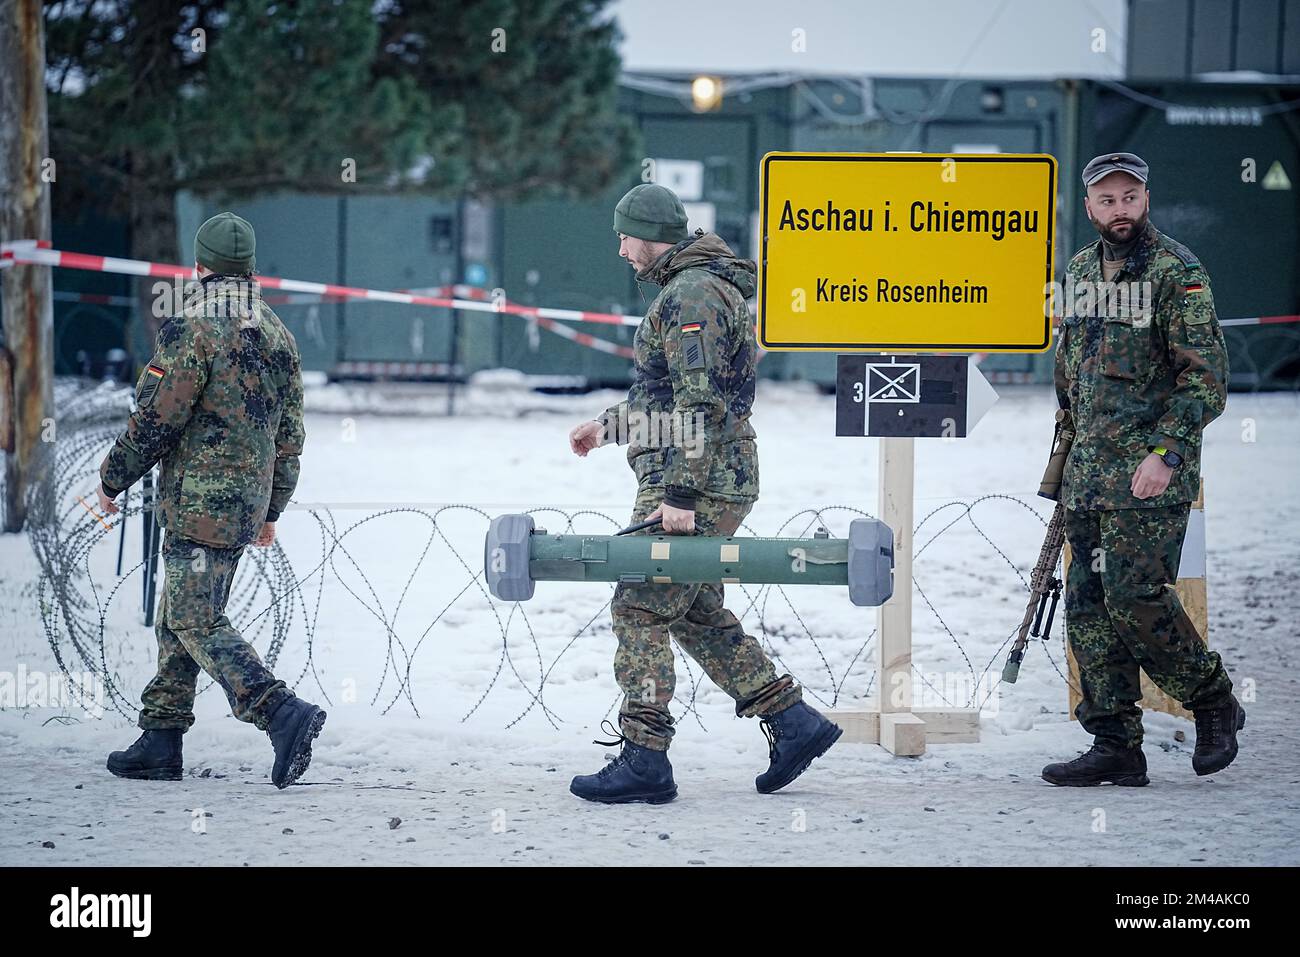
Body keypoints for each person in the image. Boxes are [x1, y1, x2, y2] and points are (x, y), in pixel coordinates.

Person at [566, 183, 841, 804]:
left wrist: (682, 495)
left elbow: (700, 401)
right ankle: (792, 722)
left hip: (696, 478)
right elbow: (664, 397)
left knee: (639, 605)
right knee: (690, 609)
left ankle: (645, 759)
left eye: (624, 236)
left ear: (650, 234)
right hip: (702, 474)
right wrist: (609, 427)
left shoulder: (692, 293)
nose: (619, 249)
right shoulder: (687, 287)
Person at [99, 211, 326, 789]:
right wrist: (272, 507)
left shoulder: (193, 325)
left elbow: (156, 418)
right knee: (182, 613)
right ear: (249, 270)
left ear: (198, 267)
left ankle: (279, 711)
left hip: (198, 503)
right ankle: (161, 736)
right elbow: (290, 435)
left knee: (194, 616)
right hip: (244, 505)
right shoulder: (276, 331)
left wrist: (111, 479)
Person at [1044, 153, 1243, 787]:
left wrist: (1167, 453)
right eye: (1107, 200)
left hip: (1147, 474)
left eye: (1129, 197)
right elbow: (1071, 378)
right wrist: (1061, 469)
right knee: (1089, 607)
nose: (1119, 209)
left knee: (1135, 597)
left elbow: (1205, 378)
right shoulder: (1078, 272)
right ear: (1089, 207)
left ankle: (1213, 699)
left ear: (1146, 198)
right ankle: (1115, 744)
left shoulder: (1175, 272)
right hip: (1088, 476)